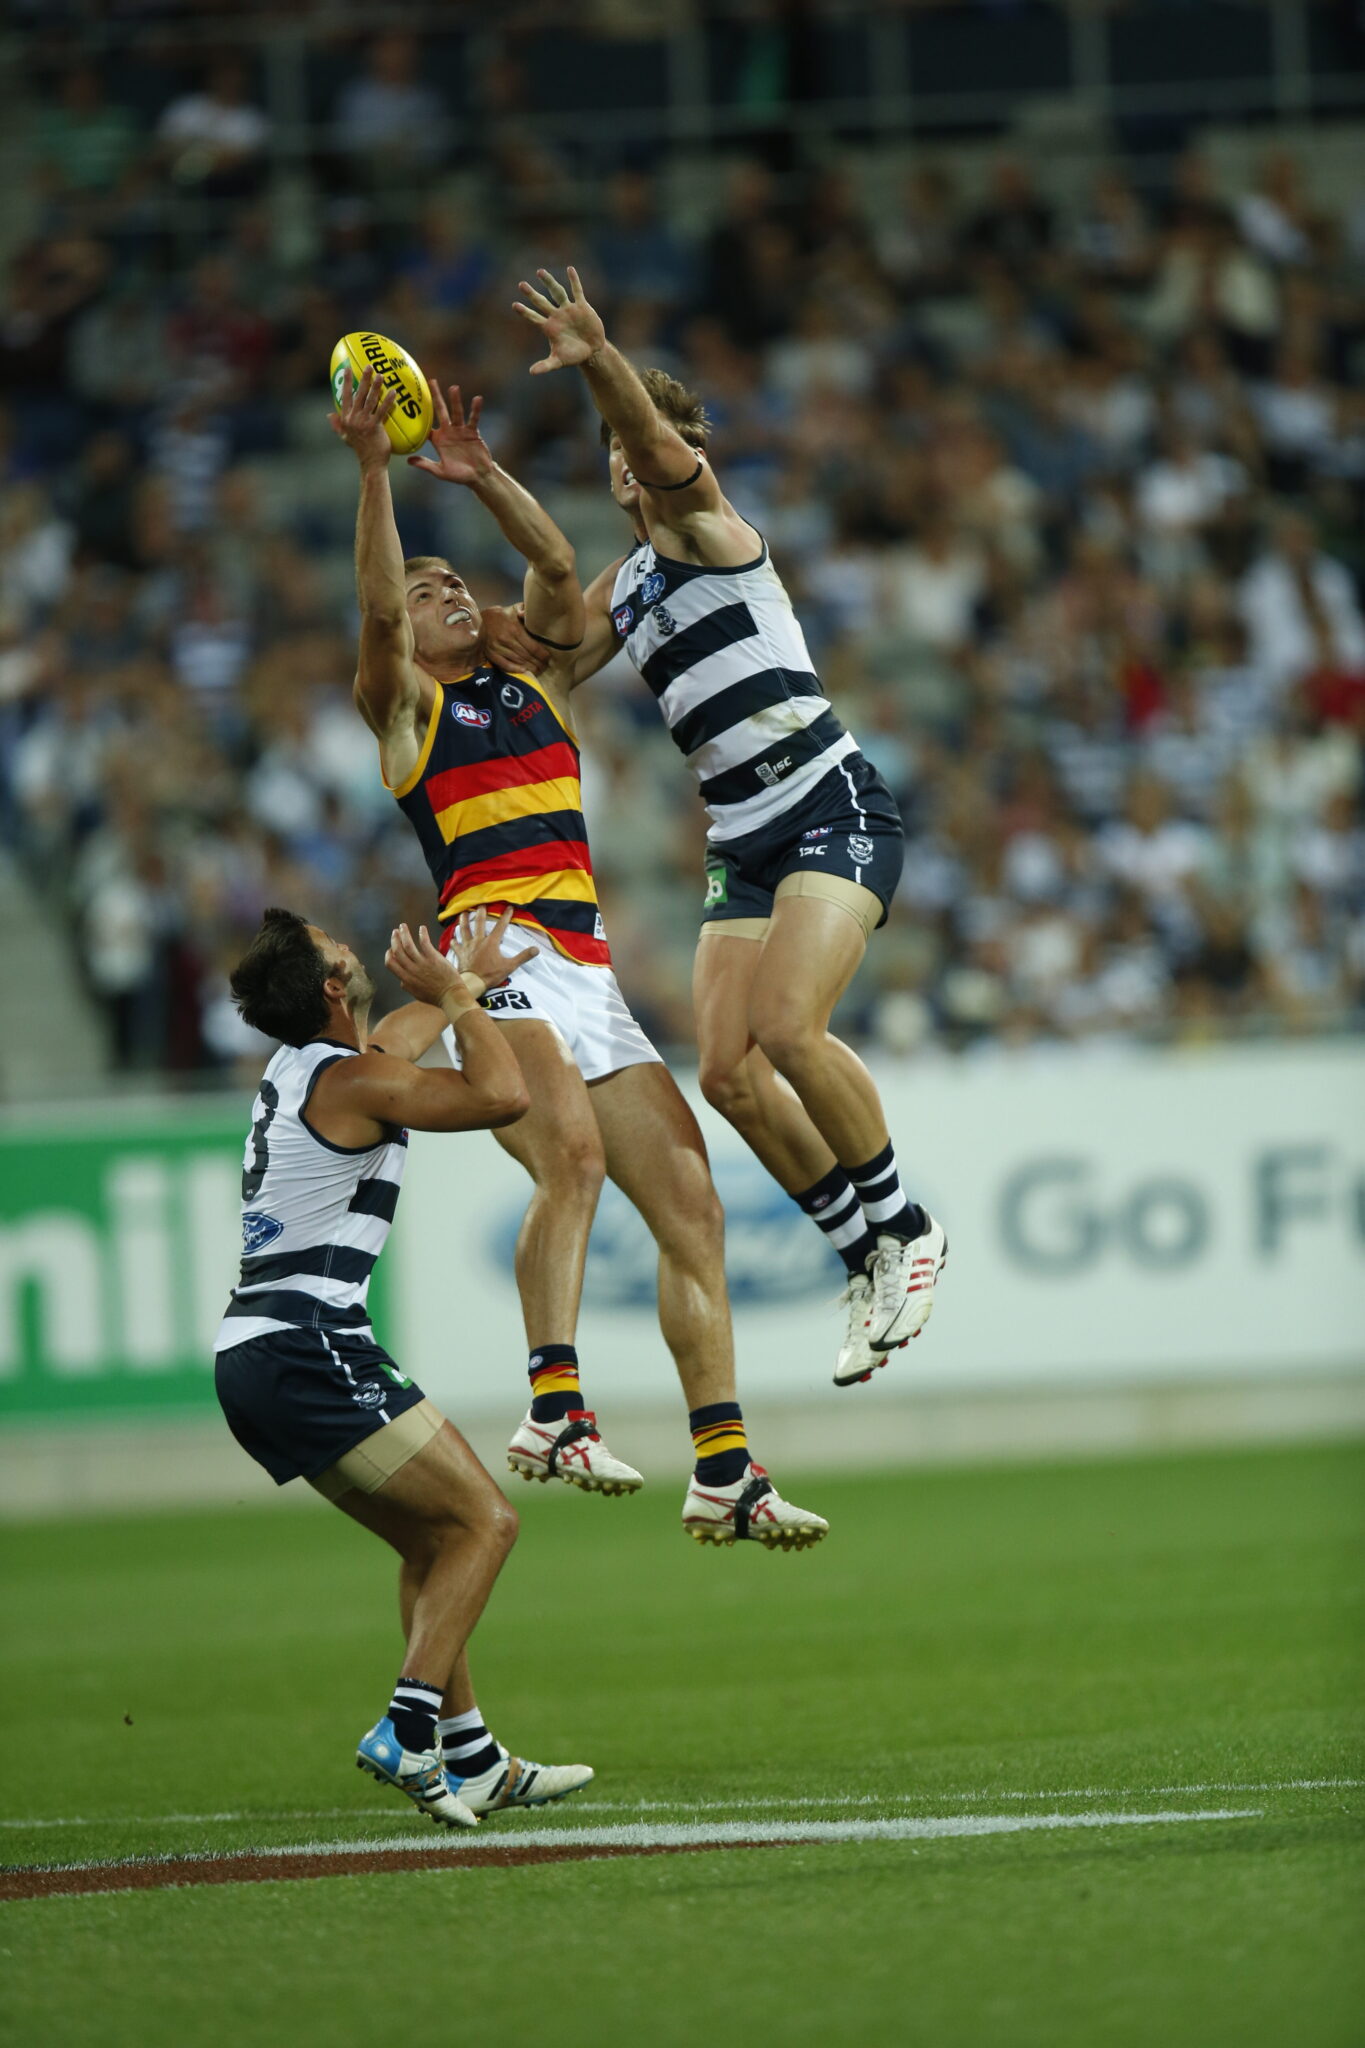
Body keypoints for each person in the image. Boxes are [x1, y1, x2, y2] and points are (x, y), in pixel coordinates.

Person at [327, 363, 827, 1550]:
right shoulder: (407, 712)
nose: (448, 592)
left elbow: (555, 568)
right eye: (430, 586)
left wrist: (482, 471)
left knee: (694, 1205)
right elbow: (384, 616)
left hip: (585, 969)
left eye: (457, 582)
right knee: (573, 1161)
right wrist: (370, 476)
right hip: (492, 953)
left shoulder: (535, 679)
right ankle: (554, 1403)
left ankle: (725, 1466)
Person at [512, 266, 948, 1386]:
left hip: (826, 802)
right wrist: (478, 483)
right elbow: (550, 645)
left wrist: (600, 364)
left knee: (793, 1031)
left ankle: (904, 1228)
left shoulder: (712, 527)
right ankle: (860, 1250)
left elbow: (656, 451)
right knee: (730, 1071)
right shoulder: (632, 581)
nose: (627, 460)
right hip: (742, 833)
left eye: (638, 440)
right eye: (612, 449)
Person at [215, 903, 593, 1824]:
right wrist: (464, 999)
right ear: (332, 986)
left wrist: (476, 970)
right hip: (310, 1340)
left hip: (256, 1350)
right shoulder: (354, 1082)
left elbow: (394, 1041)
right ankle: (406, 1727)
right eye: (333, 948)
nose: (346, 943)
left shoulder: (316, 1066)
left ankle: (469, 1758)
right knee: (486, 1525)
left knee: (433, 1544)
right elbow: (503, 1098)